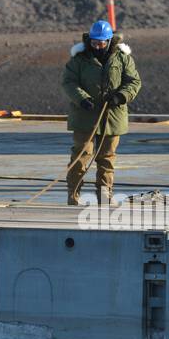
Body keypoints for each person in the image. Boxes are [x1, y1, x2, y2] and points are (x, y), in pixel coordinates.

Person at [61, 20, 141, 205]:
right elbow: (68, 82)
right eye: (94, 42)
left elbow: (134, 82)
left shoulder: (122, 58)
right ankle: (73, 196)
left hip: (112, 117)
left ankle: (104, 197)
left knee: (106, 159)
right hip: (84, 117)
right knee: (81, 156)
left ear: (109, 40)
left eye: (101, 42)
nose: (97, 45)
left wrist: (121, 96)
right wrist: (82, 99)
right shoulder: (79, 59)